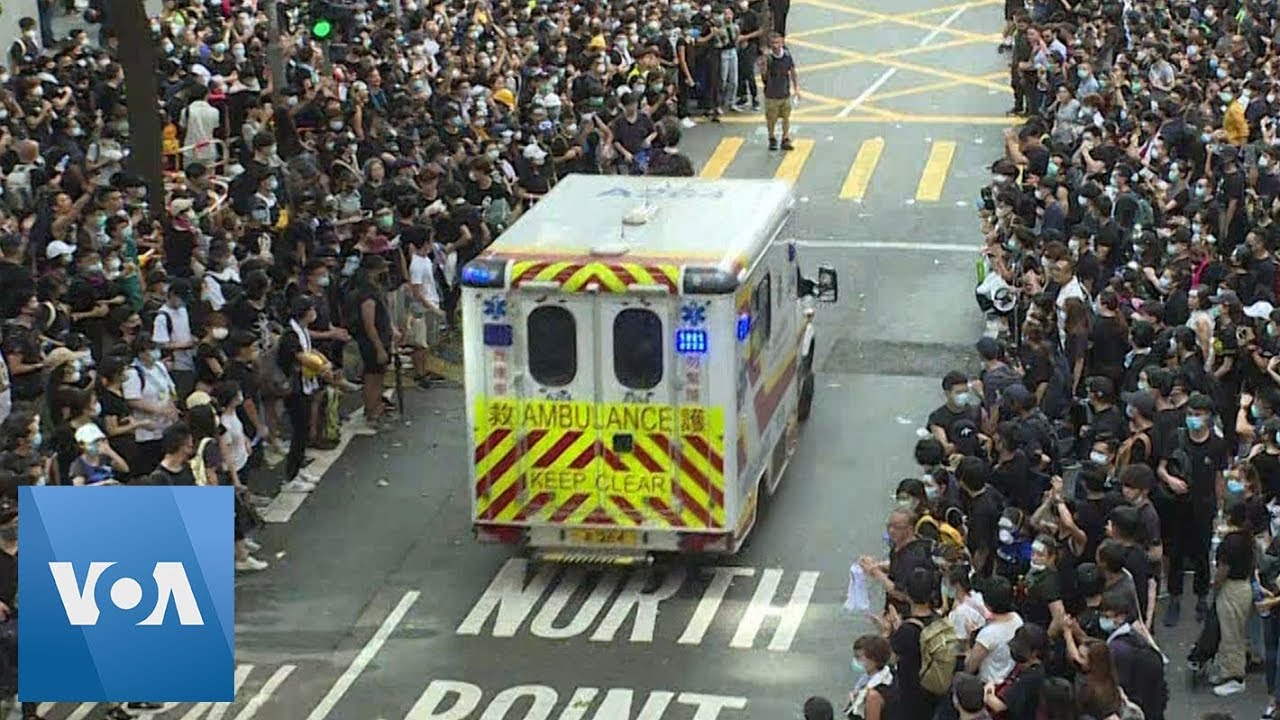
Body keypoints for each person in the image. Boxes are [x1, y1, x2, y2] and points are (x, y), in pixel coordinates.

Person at [758, 33, 798, 153]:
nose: (775, 45)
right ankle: (772, 138)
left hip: (784, 92)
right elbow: (764, 76)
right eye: (773, 43)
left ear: (782, 43)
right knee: (771, 119)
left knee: (786, 117)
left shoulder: (786, 56)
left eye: (778, 43)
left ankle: (785, 138)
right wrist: (763, 63)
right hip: (771, 94)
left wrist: (796, 88)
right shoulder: (768, 58)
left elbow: (792, 71)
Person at [845, 634, 895, 720]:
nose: (855, 661)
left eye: (858, 657)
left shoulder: (873, 695)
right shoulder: (866, 681)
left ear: (874, 659)